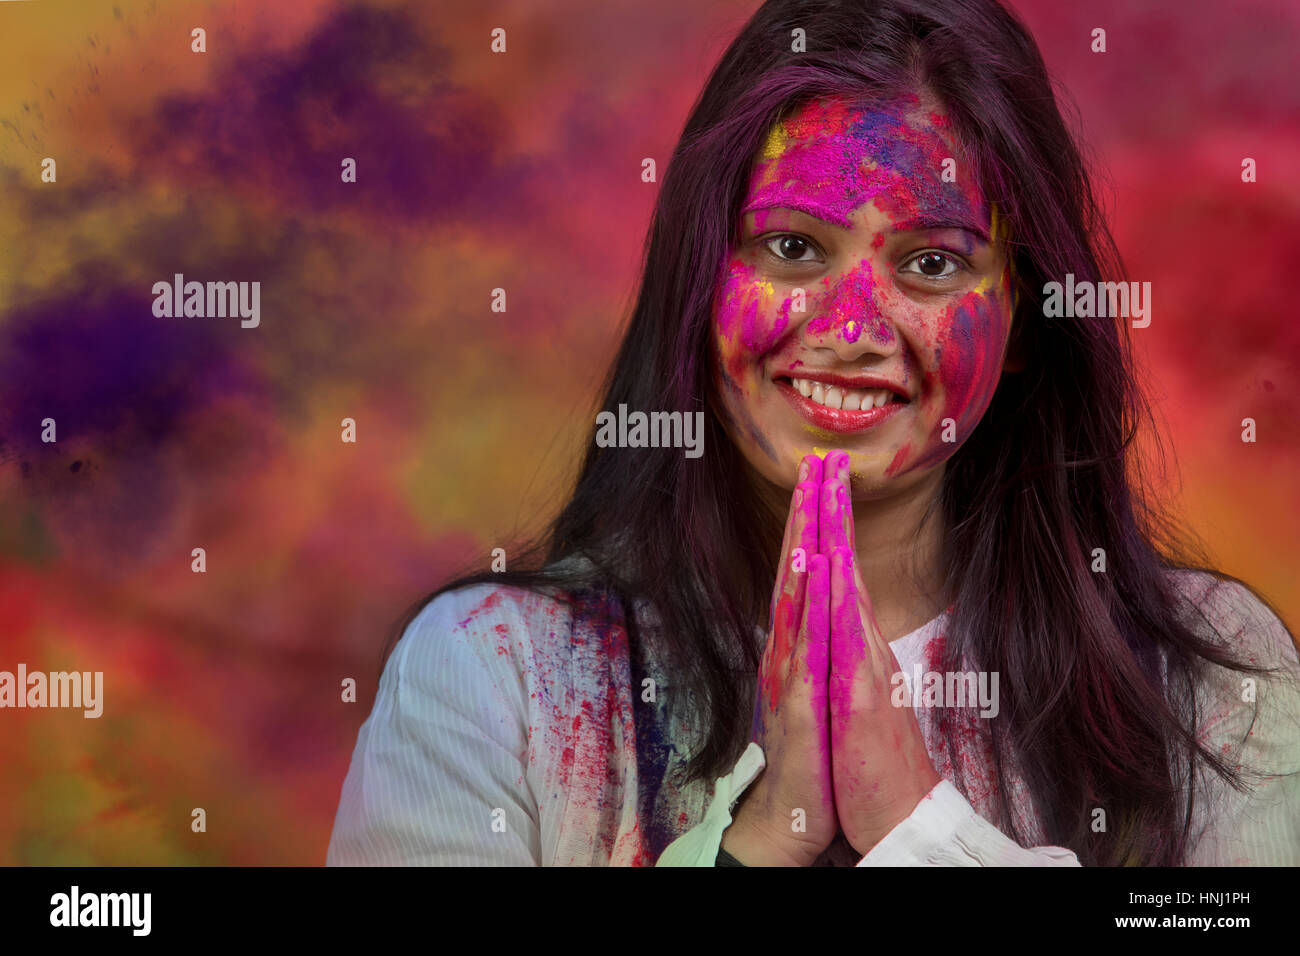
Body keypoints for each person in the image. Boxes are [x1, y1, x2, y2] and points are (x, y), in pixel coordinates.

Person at [326, 0, 1300, 866]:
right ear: (702, 282)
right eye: (792, 247)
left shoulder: (1215, 681)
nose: (847, 329)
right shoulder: (492, 674)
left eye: (928, 262)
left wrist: (917, 827)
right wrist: (761, 841)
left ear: (1022, 325)